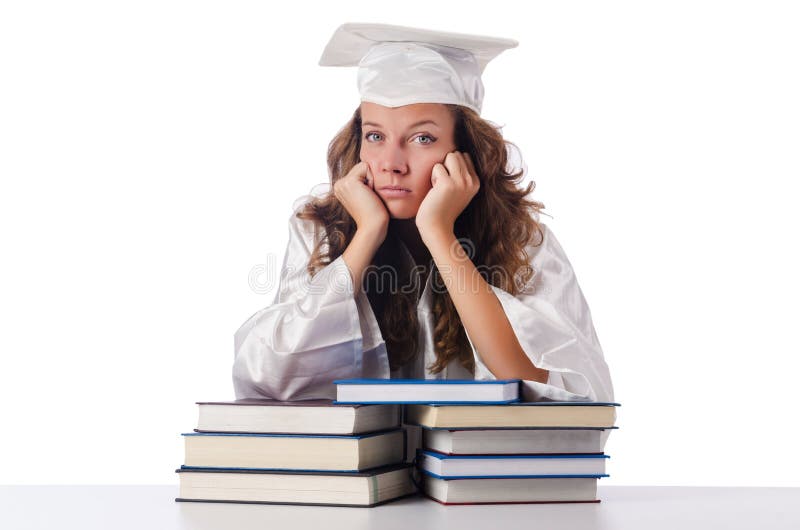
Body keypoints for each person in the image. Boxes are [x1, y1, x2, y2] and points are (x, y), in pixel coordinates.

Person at [232, 23, 614, 407]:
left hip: (471, 464)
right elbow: (271, 379)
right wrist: (366, 235)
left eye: (422, 138)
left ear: (465, 150)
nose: (392, 164)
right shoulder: (319, 232)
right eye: (375, 136)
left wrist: (439, 233)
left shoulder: (523, 241)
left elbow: (553, 391)